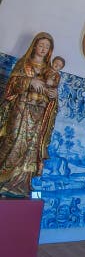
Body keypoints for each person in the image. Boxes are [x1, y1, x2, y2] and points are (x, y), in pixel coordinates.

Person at [0, 33, 60, 197]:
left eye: (47, 47)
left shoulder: (50, 71)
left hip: (39, 115)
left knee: (32, 148)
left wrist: (54, 97)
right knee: (14, 140)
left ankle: (22, 186)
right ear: (34, 45)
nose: (43, 49)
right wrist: (29, 81)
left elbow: (52, 97)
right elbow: (11, 87)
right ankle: (4, 180)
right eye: (41, 45)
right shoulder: (24, 64)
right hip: (20, 111)